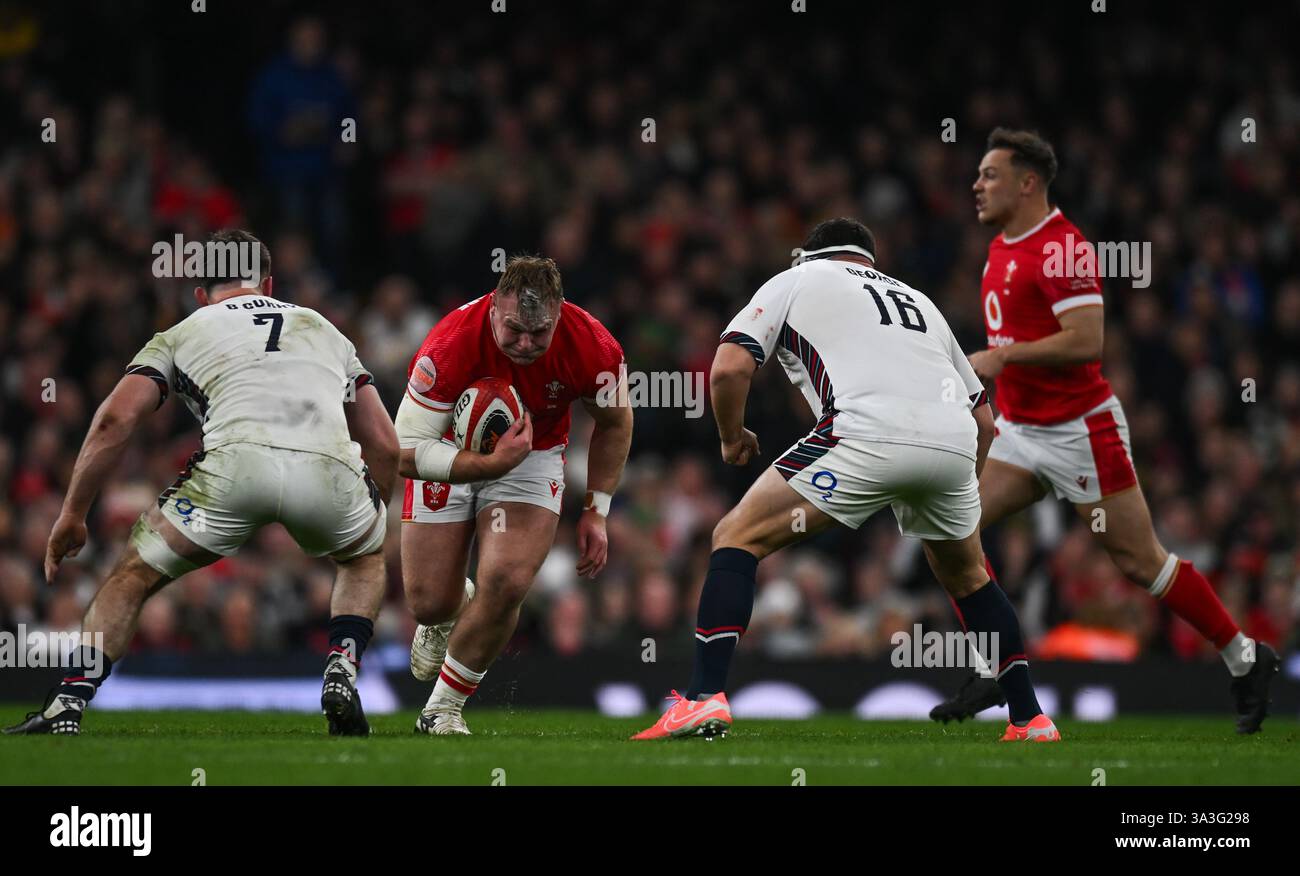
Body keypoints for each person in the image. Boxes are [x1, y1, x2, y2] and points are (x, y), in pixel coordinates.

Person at [632, 218, 1060, 742]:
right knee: (970, 576)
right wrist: (961, 489)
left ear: (808, 255)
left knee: (735, 536)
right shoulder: (921, 303)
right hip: (953, 442)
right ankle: (1030, 719)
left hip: (866, 431)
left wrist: (730, 436)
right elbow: (985, 421)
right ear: (868, 261)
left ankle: (703, 698)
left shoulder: (797, 279)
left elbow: (727, 369)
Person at [930, 129, 1278, 733]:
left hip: (1079, 431)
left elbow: (1088, 342)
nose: (976, 185)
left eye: (990, 174)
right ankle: (994, 665)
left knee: (1143, 563)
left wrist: (1004, 358)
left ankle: (1245, 658)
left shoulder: (1064, 248)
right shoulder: (1001, 247)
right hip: (1021, 433)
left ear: (1027, 182)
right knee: (950, 527)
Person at [4, 230, 398, 737]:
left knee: (131, 576)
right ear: (269, 283)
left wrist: (73, 513)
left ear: (199, 292)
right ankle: (341, 666)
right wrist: (370, 514)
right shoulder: (325, 329)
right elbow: (385, 444)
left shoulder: (182, 332)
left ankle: (67, 705)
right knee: (363, 559)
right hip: (328, 470)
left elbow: (115, 421)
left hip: (234, 470)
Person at [395, 254, 632, 734]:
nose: (525, 344)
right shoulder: (449, 343)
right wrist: (488, 463)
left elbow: (616, 421)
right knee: (427, 603)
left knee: (506, 581)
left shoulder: (594, 346)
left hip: (534, 453)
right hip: (447, 449)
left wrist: (596, 510)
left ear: (560, 314)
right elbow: (402, 452)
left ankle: (442, 709)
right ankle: (453, 607)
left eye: (539, 333)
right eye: (514, 330)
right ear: (493, 309)